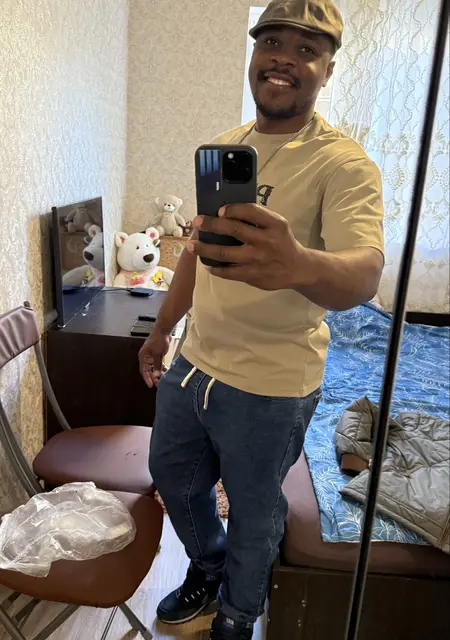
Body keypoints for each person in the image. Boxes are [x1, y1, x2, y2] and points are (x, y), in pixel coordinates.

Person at [139, 1, 384, 638]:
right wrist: (162, 331)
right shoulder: (227, 149)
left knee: (254, 513)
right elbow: (196, 254)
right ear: (254, 55)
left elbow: (363, 274)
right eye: (271, 42)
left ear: (329, 68)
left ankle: (239, 614)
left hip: (272, 385)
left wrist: (299, 261)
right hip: (194, 365)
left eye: (306, 49)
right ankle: (208, 569)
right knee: (173, 477)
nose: (283, 58)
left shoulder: (343, 164)